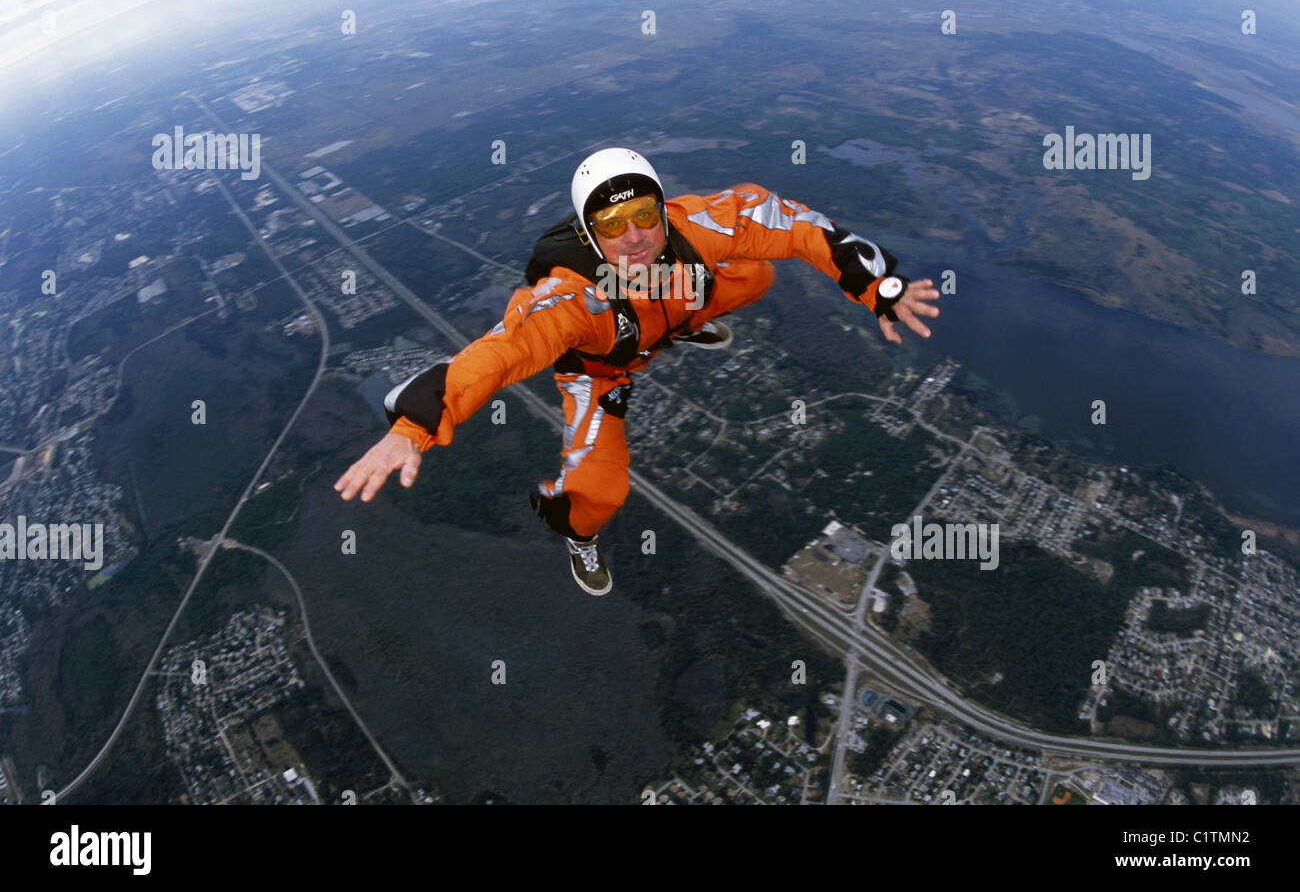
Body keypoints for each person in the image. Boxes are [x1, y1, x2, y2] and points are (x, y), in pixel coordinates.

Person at [334, 147, 939, 595]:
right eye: (611, 226)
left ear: (662, 209)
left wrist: (878, 284)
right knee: (599, 492)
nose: (634, 238)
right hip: (599, 369)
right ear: (590, 236)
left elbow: (792, 222)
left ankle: (681, 324)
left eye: (644, 215)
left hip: (666, 311)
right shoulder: (572, 299)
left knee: (754, 270)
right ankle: (575, 528)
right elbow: (499, 351)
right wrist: (411, 426)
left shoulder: (695, 224)